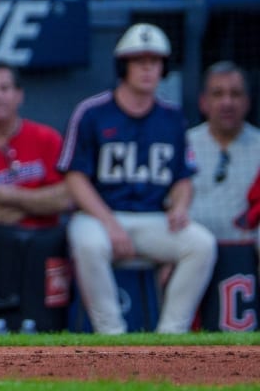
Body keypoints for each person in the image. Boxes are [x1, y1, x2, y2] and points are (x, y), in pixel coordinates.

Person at [59, 23, 218, 334]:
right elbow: (75, 178)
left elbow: (183, 178)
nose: (147, 69)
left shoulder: (172, 117)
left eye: (154, 61)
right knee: (87, 242)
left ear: (163, 68)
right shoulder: (91, 112)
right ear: (124, 66)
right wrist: (109, 222)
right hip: (100, 217)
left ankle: (171, 334)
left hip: (152, 218)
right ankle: (111, 334)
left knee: (201, 244)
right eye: (139, 61)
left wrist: (180, 207)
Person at [0, 61, 74, 307]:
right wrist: (38, 202)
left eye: (4, 88)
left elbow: (67, 198)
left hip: (46, 254)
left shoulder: (47, 139)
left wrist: (7, 196)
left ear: (19, 95)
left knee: (51, 328)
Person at [186, 63, 260, 256]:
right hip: (192, 253)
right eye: (218, 94)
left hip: (249, 252)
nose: (227, 102)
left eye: (235, 94)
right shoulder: (184, 144)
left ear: (247, 102)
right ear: (203, 102)